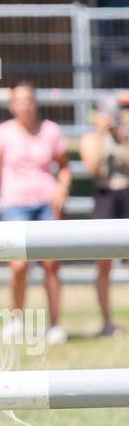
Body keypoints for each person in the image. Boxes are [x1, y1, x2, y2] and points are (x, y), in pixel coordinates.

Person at [0, 82, 72, 347]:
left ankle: (55, 324)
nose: (24, 104)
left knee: (51, 265)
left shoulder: (51, 131)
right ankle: (16, 320)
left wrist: (62, 188)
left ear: (35, 102)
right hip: (16, 204)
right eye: (18, 100)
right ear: (11, 105)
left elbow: (64, 167)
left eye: (28, 99)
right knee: (18, 265)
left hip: (46, 203)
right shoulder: (1, 134)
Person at [80, 94, 129, 336]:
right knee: (103, 263)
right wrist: (102, 133)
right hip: (105, 196)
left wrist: (121, 136)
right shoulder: (91, 138)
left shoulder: (125, 137)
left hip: (127, 192)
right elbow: (94, 166)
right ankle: (107, 321)